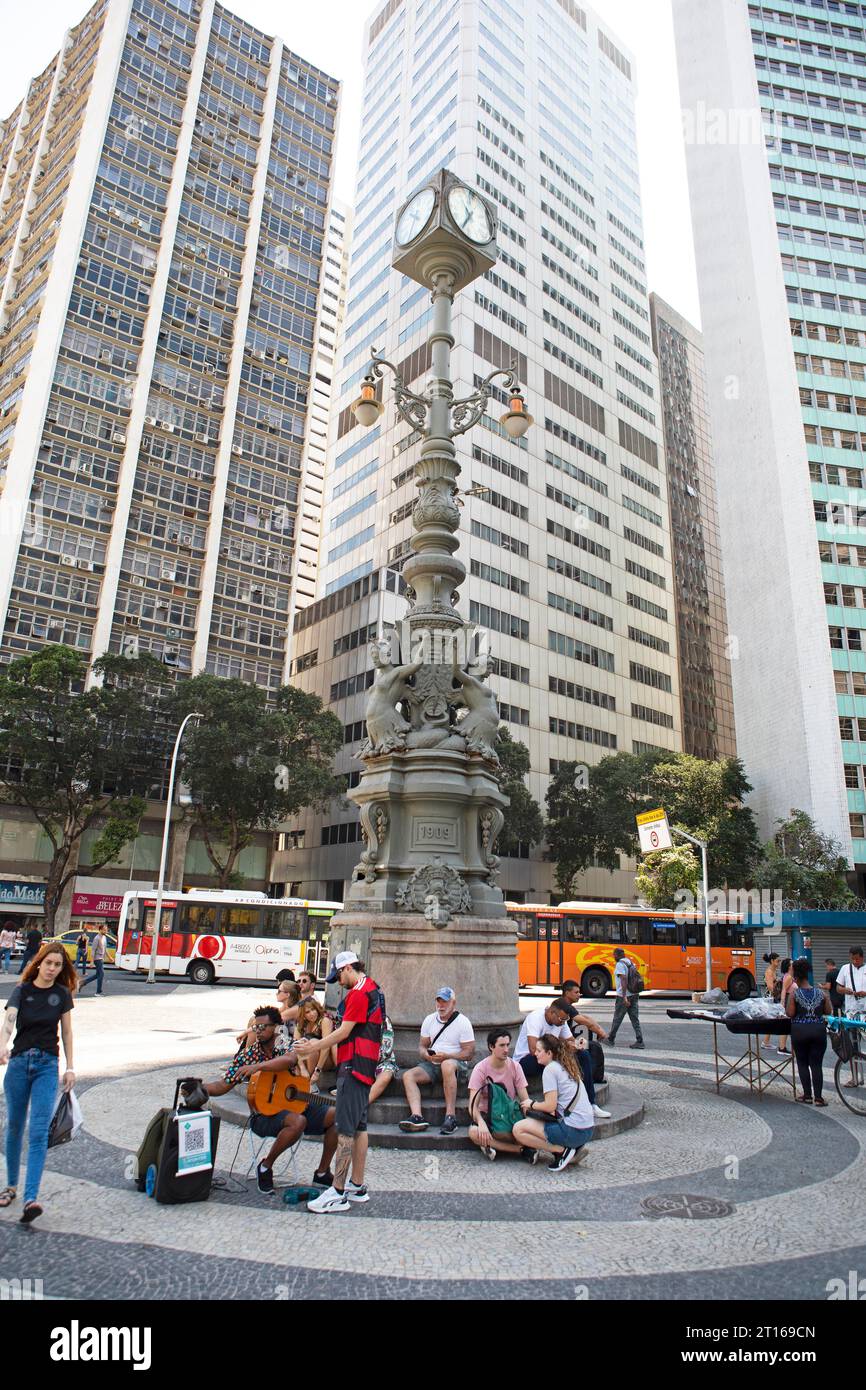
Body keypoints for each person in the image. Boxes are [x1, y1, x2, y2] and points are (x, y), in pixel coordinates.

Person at [293, 952, 384, 1214]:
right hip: (366, 1065)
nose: (339, 982)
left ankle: (338, 1191)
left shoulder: (357, 994)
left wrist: (313, 1046)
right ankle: (356, 1185)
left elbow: (343, 1031)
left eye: (339, 976)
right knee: (359, 1126)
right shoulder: (373, 988)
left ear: (347, 968)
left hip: (353, 1065)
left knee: (344, 1128)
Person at [0, 942, 77, 1223]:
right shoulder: (22, 991)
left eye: (58, 965)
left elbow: (67, 1033)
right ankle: (10, 1187)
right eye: (49, 964)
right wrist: (2, 1045)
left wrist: (70, 1067)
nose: (53, 969)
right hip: (19, 1064)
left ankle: (30, 1198)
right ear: (39, 963)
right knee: (15, 1127)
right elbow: (9, 1021)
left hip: (47, 1065)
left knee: (38, 1131)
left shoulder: (62, 994)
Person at [513, 999, 609, 1119]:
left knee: (583, 1055)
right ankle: (554, 1105)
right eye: (562, 1019)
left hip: (549, 1056)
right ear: (552, 1013)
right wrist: (562, 1047)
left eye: (566, 1020)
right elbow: (533, 1049)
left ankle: (591, 1103)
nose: (564, 1023)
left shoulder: (560, 1022)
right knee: (552, 1060)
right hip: (527, 1060)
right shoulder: (535, 1018)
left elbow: (571, 1041)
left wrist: (580, 1045)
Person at [399, 987, 475, 1135]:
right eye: (439, 1001)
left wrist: (448, 1056)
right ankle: (417, 1116)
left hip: (455, 1064)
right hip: (433, 1063)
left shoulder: (463, 1022)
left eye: (445, 1002)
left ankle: (450, 1117)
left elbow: (469, 1053)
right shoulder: (429, 1020)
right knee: (408, 1076)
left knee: (447, 1065)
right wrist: (427, 1055)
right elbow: (422, 1046)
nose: (441, 1005)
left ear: (453, 1003)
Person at [512, 1035, 594, 1172]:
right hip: (587, 1129)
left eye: (539, 1051)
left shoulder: (550, 1070)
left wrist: (530, 1104)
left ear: (549, 1053)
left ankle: (562, 1151)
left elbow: (550, 1106)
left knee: (518, 1129)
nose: (535, 1053)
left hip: (573, 1131)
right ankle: (571, 1148)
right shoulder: (567, 1065)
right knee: (536, 1122)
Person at [187, 1006, 293, 1101]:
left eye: (262, 1027)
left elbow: (290, 1060)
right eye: (256, 1027)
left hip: (292, 1100)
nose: (258, 1031)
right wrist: (199, 1087)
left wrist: (257, 1067)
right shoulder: (248, 1055)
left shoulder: (286, 1043)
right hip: (267, 1107)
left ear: (275, 1026)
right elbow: (222, 1085)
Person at [467, 1029, 530, 1160]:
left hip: (508, 1114)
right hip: (488, 1116)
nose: (506, 1049)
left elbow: (525, 1101)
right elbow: (472, 1106)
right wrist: (481, 1123)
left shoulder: (515, 1067)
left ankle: (490, 1145)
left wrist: (529, 1123)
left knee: (522, 1131)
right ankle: (519, 1149)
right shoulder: (480, 1068)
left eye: (507, 1045)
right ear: (491, 1047)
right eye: (502, 1045)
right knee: (473, 1132)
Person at [786, 956, 830, 1106]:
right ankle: (819, 1098)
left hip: (800, 1031)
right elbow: (828, 1011)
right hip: (818, 1030)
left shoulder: (795, 994)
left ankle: (807, 1095)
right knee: (816, 1064)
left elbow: (790, 1013)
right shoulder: (821, 993)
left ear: (796, 976)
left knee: (803, 1062)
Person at [836, 945, 866, 1090]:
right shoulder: (845, 969)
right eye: (852, 959)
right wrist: (846, 990)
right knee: (853, 1046)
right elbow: (838, 988)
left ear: (862, 957)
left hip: (865, 1011)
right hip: (851, 1013)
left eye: (857, 959)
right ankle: (855, 1077)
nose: (855, 961)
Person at [607, 948, 645, 1049]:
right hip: (634, 994)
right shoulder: (629, 962)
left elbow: (623, 979)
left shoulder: (620, 964)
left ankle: (610, 1039)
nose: (613, 956)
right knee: (634, 1018)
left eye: (614, 955)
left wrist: (624, 997)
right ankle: (640, 1040)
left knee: (617, 1017)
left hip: (624, 996)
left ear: (617, 955)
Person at [292, 998, 332, 1086]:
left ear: (317, 1008)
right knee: (300, 1044)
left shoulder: (324, 1020)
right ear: (303, 1014)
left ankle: (309, 1083)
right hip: (308, 1057)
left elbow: (326, 1047)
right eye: (307, 1012)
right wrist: (302, 1067)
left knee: (312, 1043)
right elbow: (295, 1046)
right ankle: (303, 1081)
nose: (312, 1014)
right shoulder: (301, 1024)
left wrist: (317, 1072)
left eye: (313, 1009)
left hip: (326, 1059)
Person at [369, 1015, 399, 1103]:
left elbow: (386, 1050)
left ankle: (359, 1107)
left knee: (386, 1076)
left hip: (381, 1062)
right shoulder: (353, 1017)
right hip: (357, 1062)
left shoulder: (383, 1019)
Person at [79, 927, 108, 996]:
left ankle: (83, 982)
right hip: (97, 959)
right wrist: (91, 961)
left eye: (106, 930)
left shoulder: (104, 938)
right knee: (101, 974)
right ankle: (98, 992)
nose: (106, 931)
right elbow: (93, 950)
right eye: (104, 930)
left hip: (101, 958)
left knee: (98, 975)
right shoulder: (96, 938)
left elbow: (105, 949)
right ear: (100, 930)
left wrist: (109, 957)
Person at [761, 952, 781, 1050]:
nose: (779, 963)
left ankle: (766, 1041)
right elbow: (770, 986)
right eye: (777, 961)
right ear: (772, 961)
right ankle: (765, 1042)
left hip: (772, 997)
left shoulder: (773, 971)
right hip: (770, 998)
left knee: (772, 1019)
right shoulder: (769, 971)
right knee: (771, 1019)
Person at [776, 959, 794, 1054]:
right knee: (786, 1024)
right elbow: (784, 990)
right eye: (792, 963)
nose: (793, 964)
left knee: (787, 1025)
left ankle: (782, 1047)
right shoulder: (788, 977)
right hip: (788, 1002)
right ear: (788, 966)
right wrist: (782, 1004)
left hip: (789, 1001)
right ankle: (782, 1048)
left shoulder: (790, 976)